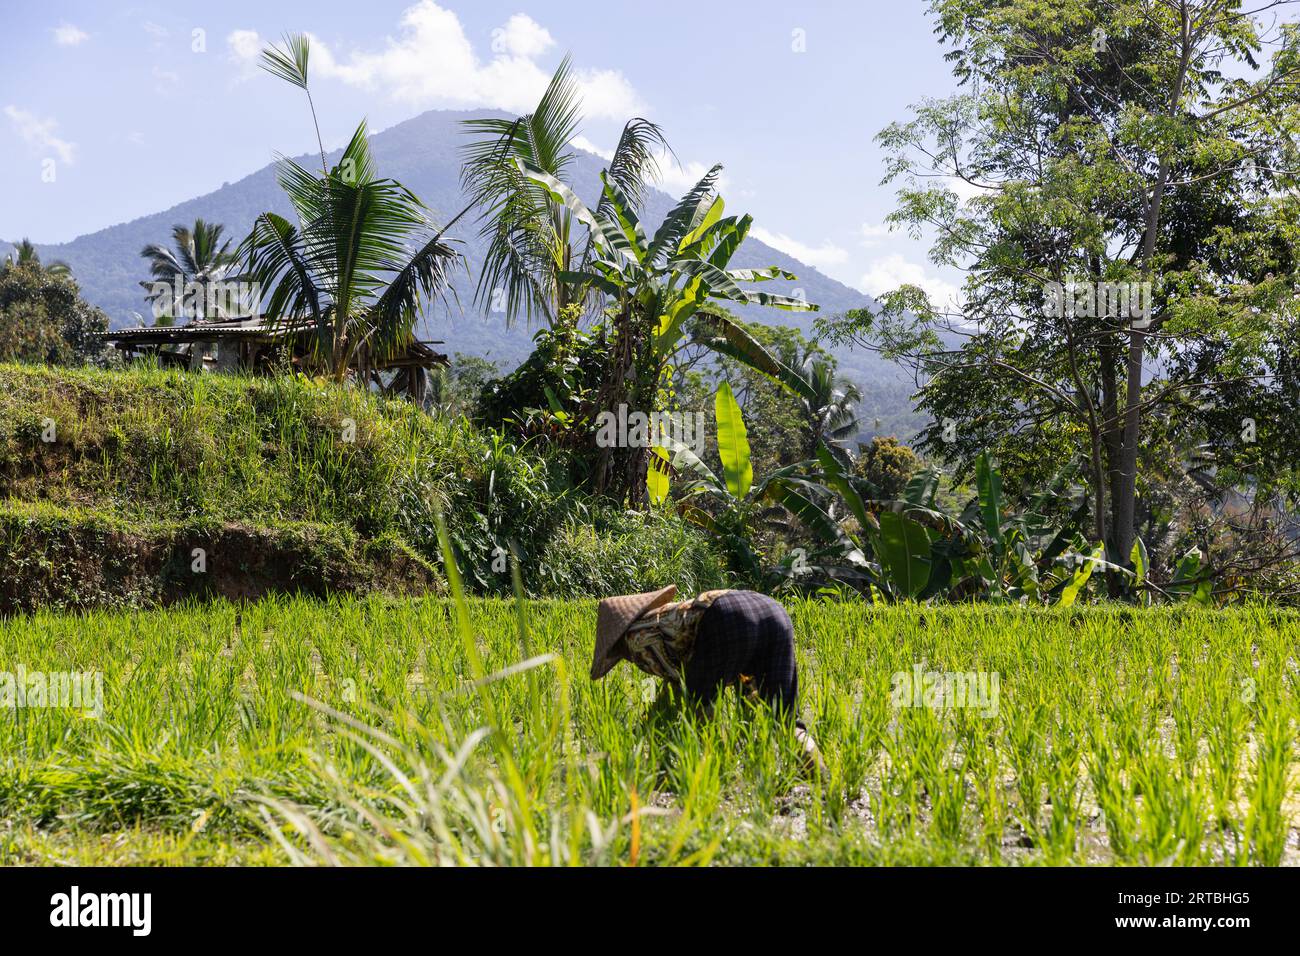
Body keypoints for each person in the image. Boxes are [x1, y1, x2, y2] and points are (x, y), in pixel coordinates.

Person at [590, 585, 823, 774]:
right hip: (773, 611)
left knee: (700, 702)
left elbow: (678, 682)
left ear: (615, 640)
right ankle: (820, 776)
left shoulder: (635, 638)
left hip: (725, 617)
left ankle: (718, 766)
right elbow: (677, 681)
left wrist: (647, 730)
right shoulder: (666, 613)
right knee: (784, 717)